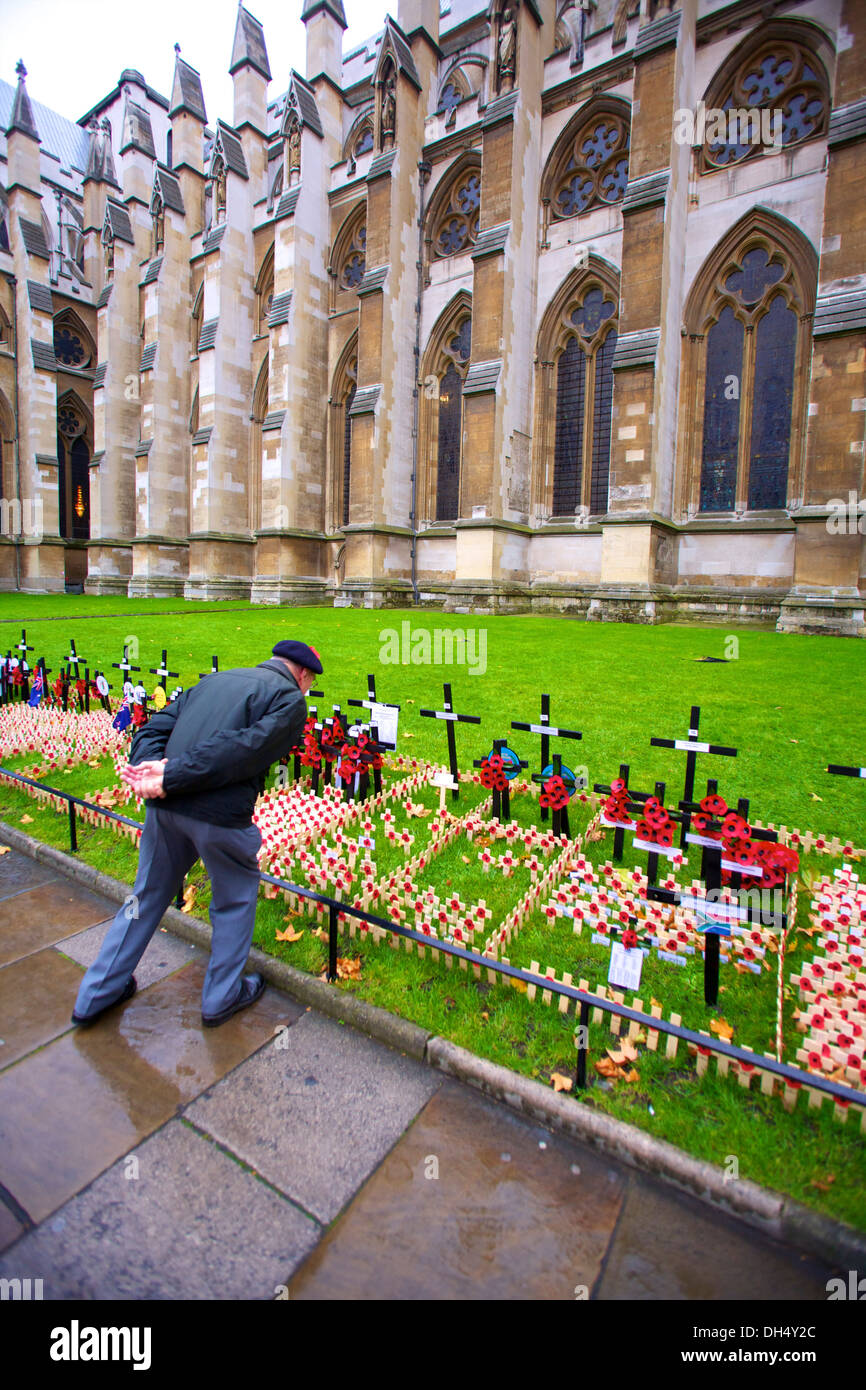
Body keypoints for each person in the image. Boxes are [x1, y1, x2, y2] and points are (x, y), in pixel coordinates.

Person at [71, 640, 322, 1029]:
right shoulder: (290, 700)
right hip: (218, 818)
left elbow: (152, 729)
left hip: (165, 809)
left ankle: (96, 993)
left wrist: (149, 771)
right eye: (308, 682)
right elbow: (242, 751)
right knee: (234, 900)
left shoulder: (213, 681)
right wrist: (166, 775)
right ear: (303, 675)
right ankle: (221, 996)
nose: (305, 688)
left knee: (144, 897)